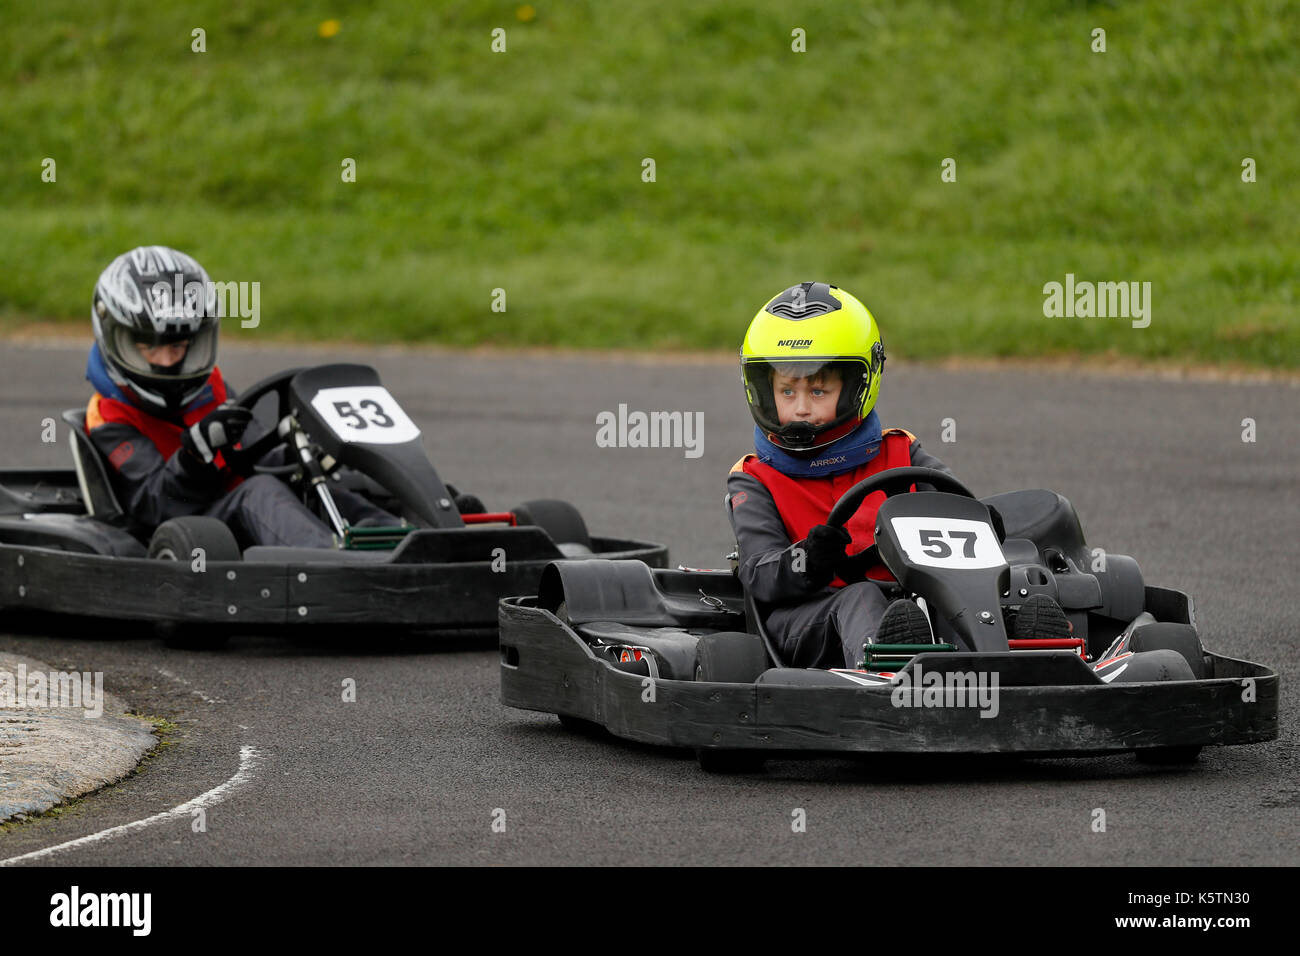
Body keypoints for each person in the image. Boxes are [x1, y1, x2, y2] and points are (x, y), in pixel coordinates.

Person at [727, 282, 1068, 669]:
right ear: (763, 390)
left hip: (907, 608)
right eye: (787, 392)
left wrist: (979, 521)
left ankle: (1029, 662)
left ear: (859, 386)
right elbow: (759, 573)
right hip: (809, 619)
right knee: (860, 598)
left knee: (973, 591)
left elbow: (954, 508)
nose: (802, 408)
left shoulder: (899, 451)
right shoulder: (755, 477)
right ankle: (891, 676)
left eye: (819, 391)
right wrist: (807, 559)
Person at [83, 245, 475, 549]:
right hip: (186, 525)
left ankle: (417, 537)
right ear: (117, 340)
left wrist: (302, 451)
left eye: (181, 345)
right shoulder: (111, 416)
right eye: (151, 348)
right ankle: (334, 563)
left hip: (238, 510)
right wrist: (192, 459)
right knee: (259, 492)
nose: (169, 361)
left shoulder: (208, 389)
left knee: (316, 476)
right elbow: (152, 504)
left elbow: (256, 455)